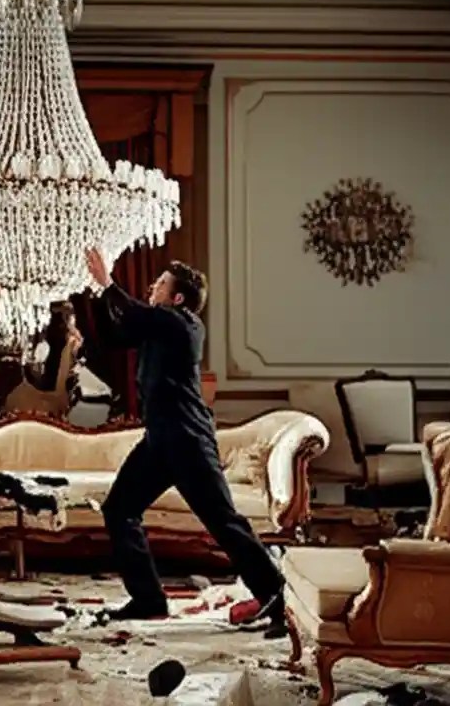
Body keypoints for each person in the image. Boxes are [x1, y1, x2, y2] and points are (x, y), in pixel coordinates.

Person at [85, 247, 286, 634]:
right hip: (160, 440)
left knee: (223, 522)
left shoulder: (184, 325)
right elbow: (116, 334)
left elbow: (134, 313)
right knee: (120, 510)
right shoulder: (158, 324)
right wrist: (97, 294)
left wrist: (107, 282)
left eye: (160, 284)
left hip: (188, 440)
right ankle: (148, 600)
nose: (152, 287)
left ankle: (277, 596)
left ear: (178, 298)